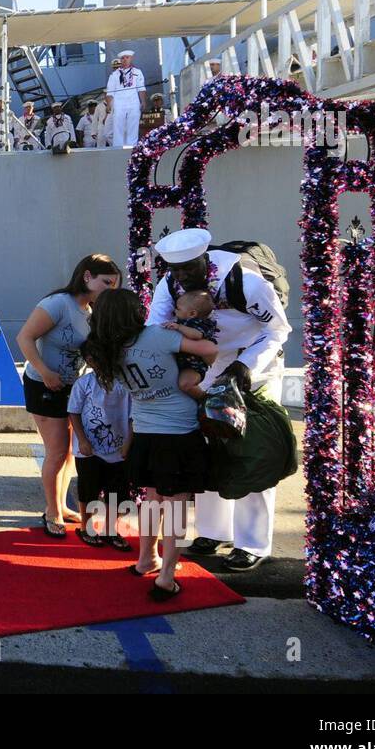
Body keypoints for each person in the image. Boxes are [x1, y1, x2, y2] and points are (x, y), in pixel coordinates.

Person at [148, 227, 294, 572]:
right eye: (176, 271)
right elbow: (155, 329)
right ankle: (215, 531)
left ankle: (252, 543)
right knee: (208, 447)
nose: (182, 277)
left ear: (205, 259)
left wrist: (245, 366)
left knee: (251, 449)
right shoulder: (169, 285)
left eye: (189, 269)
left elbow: (278, 329)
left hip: (254, 367)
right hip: (207, 368)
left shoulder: (245, 280)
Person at [86, 287, 218, 599]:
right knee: (175, 508)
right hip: (179, 432)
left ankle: (146, 558)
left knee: (152, 499)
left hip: (144, 432)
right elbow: (207, 350)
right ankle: (167, 577)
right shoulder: (156, 336)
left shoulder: (106, 349)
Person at [16, 254, 123, 538]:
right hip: (44, 386)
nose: (110, 288)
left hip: (71, 388)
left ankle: (61, 505)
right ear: (87, 276)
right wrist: (45, 371)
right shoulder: (57, 304)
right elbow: (24, 338)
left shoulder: (90, 310)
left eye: (114, 284)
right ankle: (51, 512)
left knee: (70, 454)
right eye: (106, 282)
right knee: (57, 451)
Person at [67, 365, 133, 550]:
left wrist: (128, 445)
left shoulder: (126, 383)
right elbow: (74, 411)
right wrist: (82, 440)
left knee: (117, 491)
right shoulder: (84, 383)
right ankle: (86, 527)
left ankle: (110, 529)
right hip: (88, 449)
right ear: (90, 360)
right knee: (88, 488)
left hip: (119, 449)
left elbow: (133, 416)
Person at [161, 289, 218, 402]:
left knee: (185, 384)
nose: (175, 311)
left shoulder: (201, 323)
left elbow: (196, 335)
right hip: (181, 362)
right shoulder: (184, 320)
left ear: (192, 313)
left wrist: (178, 327)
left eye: (178, 308)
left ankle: (205, 400)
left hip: (193, 366)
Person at [104, 50, 146, 149]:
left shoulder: (137, 72)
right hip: (119, 103)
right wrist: (109, 104)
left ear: (131, 59)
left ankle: (132, 148)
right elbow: (110, 91)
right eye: (122, 58)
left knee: (133, 126)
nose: (125, 60)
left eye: (127, 57)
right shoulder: (114, 75)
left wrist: (143, 101)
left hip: (133, 102)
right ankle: (118, 148)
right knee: (118, 126)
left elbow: (141, 88)